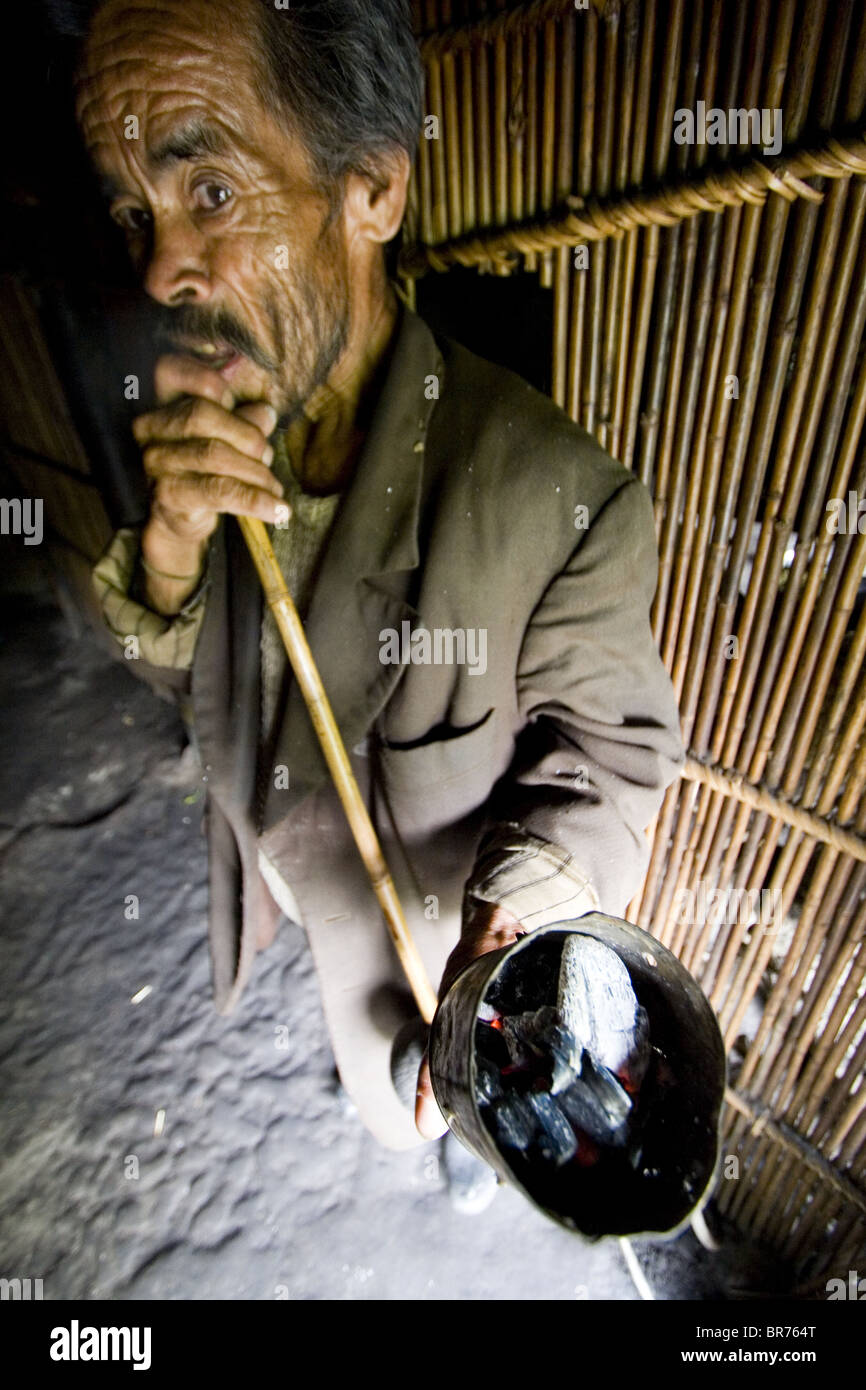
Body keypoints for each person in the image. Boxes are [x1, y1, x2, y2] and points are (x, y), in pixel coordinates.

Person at [75, 0, 685, 1181]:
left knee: (471, 1111)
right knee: (379, 1097)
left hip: (446, 935)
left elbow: (609, 757)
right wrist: (166, 555)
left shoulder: (551, 496)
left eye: (207, 193)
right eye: (132, 209)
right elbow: (181, 681)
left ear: (372, 191)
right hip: (308, 903)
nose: (160, 268)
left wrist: (510, 927)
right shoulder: (205, 432)